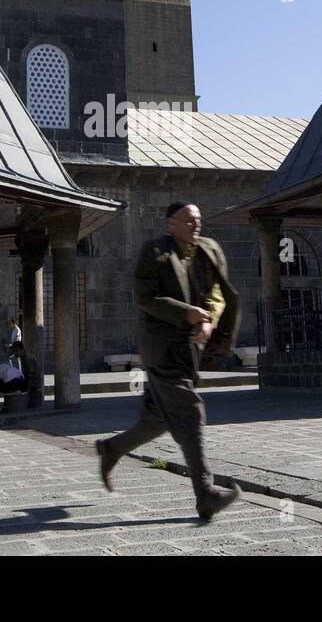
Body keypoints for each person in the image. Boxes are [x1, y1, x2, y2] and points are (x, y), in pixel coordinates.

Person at [95, 202, 242, 522]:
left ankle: (112, 448)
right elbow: (145, 297)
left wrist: (208, 320)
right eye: (188, 221)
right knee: (190, 411)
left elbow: (216, 294)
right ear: (171, 223)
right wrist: (185, 312)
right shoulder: (155, 251)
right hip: (161, 350)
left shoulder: (209, 251)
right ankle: (206, 494)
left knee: (156, 420)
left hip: (189, 350)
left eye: (199, 220)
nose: (195, 226)